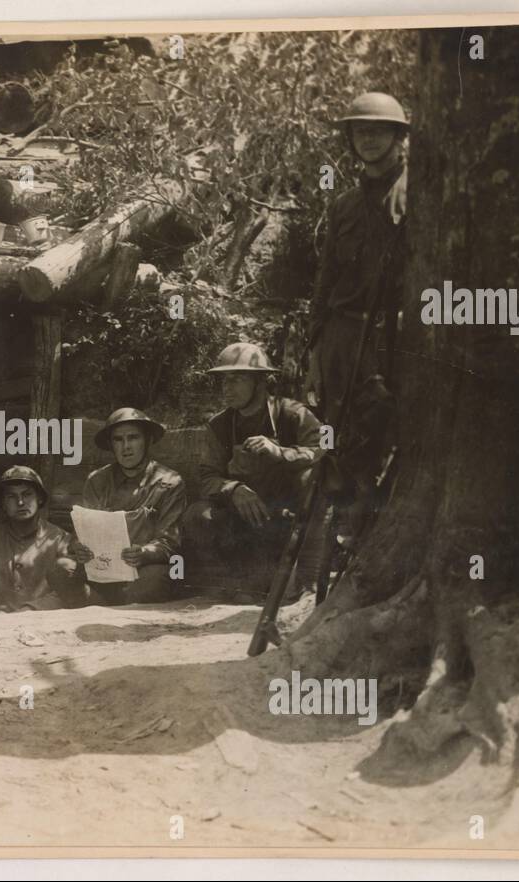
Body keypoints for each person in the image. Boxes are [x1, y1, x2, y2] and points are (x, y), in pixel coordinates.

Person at [307, 91, 407, 482]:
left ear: (398, 136)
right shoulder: (343, 206)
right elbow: (325, 282)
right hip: (342, 337)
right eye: (360, 131)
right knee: (336, 436)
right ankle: (337, 511)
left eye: (379, 130)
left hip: (394, 334)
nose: (368, 138)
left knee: (387, 432)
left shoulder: (417, 196)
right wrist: (316, 350)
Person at [184, 343, 323, 585]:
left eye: (236, 379)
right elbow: (207, 478)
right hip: (246, 522)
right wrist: (234, 489)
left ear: (260, 382)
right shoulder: (220, 426)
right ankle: (226, 583)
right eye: (224, 381)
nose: (227, 388)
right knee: (198, 515)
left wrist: (281, 453)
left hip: (287, 520)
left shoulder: (292, 413)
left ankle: (307, 581)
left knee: (310, 480)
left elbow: (325, 448)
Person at [69, 408, 186, 605]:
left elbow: (170, 543)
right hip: (103, 568)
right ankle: (102, 603)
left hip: (144, 569)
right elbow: (80, 533)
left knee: (156, 578)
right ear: (111, 445)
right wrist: (79, 548)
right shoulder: (97, 480)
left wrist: (144, 553)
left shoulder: (170, 482)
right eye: (118, 440)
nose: (126, 447)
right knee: (61, 569)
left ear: (147, 441)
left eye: (133, 438)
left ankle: (107, 605)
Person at [0, 466, 86, 615]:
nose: (20, 502)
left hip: (41, 621)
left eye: (27, 494)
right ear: (3, 504)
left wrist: (28, 611)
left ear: (39, 499)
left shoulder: (60, 540)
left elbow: (68, 592)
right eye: (11, 496)